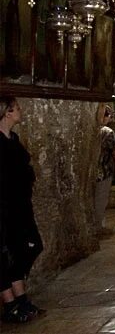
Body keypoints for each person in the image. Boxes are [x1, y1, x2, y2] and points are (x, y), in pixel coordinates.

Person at [0, 97, 44, 324]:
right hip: (4, 207)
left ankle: (21, 298)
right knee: (5, 254)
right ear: (6, 112)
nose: (20, 111)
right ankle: (10, 304)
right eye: (16, 108)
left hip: (20, 205)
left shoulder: (13, 138)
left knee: (28, 248)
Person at [95, 105, 115, 233]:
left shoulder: (91, 130)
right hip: (104, 169)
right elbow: (113, 152)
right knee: (101, 198)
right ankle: (99, 226)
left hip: (93, 170)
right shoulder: (107, 132)